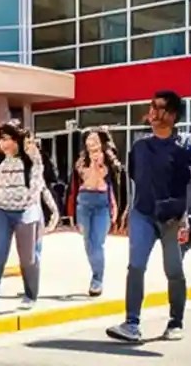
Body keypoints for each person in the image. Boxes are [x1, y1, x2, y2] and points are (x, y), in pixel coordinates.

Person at [106, 90, 191, 343]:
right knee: (135, 266)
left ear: (171, 115)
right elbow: (136, 180)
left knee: (173, 269)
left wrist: (186, 218)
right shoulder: (140, 146)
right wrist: (128, 211)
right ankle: (131, 324)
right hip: (143, 214)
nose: (151, 111)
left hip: (173, 218)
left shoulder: (186, 148)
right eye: (150, 106)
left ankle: (175, 322)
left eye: (158, 107)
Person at [0, 120, 52, 318]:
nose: (3, 144)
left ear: (17, 140)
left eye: (8, 139)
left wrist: (35, 158)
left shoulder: (30, 161)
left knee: (28, 259)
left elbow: (37, 186)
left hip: (25, 212)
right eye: (1, 140)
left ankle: (31, 295)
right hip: (1, 212)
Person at [71, 127, 120, 297]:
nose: (91, 143)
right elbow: (81, 182)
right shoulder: (81, 161)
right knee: (87, 242)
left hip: (101, 203)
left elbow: (114, 184)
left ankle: (97, 279)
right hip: (84, 202)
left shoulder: (109, 160)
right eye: (88, 140)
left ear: (101, 142)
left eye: (95, 140)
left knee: (97, 242)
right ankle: (96, 273)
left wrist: (116, 207)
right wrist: (91, 163)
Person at [22, 131, 61, 297]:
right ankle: (29, 287)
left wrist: (54, 211)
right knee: (25, 254)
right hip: (20, 213)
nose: (31, 146)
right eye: (27, 142)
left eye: (32, 142)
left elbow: (43, 188)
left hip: (36, 213)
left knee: (35, 252)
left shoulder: (38, 164)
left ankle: (32, 290)